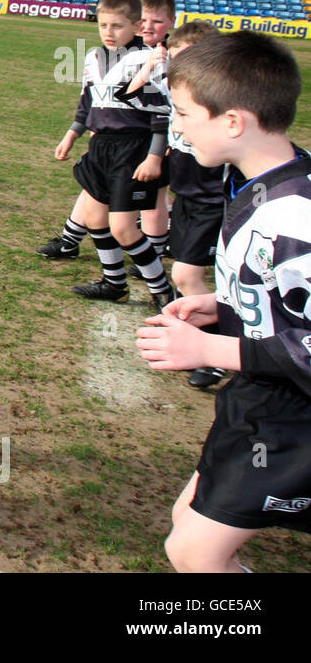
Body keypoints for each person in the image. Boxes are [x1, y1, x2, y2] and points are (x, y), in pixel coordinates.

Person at [136, 30, 310, 571]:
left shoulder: (296, 215)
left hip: (293, 417)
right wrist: (226, 304)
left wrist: (213, 352)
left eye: (185, 116)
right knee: (185, 524)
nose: (178, 131)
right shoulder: (260, 181)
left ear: (233, 122)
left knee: (192, 552)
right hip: (262, 402)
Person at [53, 0, 174, 309]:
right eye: (103, 24)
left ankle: (162, 289)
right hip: (101, 146)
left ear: (136, 26)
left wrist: (154, 156)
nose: (108, 32)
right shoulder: (93, 57)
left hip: (133, 148)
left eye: (117, 26)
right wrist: (72, 134)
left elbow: (161, 113)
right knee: (94, 218)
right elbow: (87, 102)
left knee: (122, 228)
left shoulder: (149, 59)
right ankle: (114, 283)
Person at [123, 20, 225, 388]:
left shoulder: (219, 97)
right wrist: (154, 63)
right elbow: (130, 94)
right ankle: (194, 339)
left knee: (186, 274)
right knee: (187, 274)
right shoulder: (175, 89)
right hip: (187, 197)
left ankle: (215, 354)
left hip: (215, 200)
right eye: (178, 59)